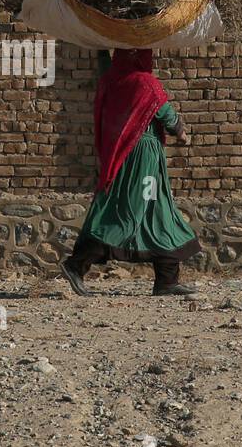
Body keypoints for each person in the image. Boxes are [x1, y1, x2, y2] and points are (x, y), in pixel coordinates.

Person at [60, 48, 201, 297]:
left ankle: (167, 280)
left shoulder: (111, 79)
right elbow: (164, 112)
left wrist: (101, 47)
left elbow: (104, 65)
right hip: (143, 159)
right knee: (131, 211)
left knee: (156, 211)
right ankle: (77, 265)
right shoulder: (145, 82)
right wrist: (180, 131)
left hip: (126, 156)